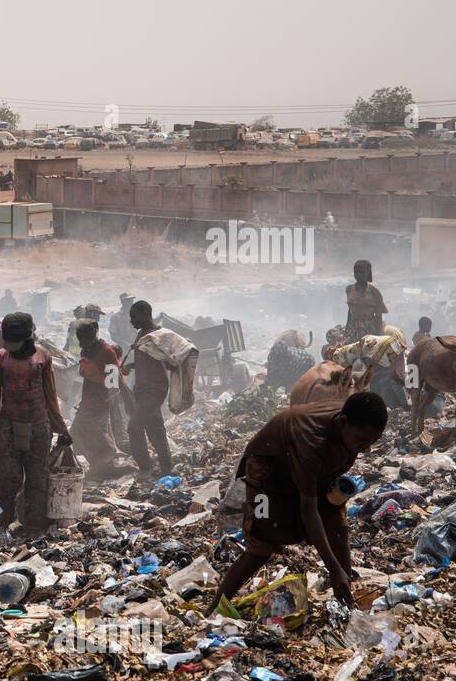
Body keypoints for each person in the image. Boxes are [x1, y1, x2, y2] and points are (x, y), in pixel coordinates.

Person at [208, 392, 388, 613]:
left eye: (372, 442)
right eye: (361, 440)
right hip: (267, 466)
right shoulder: (311, 440)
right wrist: (332, 568)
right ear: (343, 423)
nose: (365, 448)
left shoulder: (354, 417)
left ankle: (346, 602)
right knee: (262, 541)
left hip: (311, 467)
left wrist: (340, 571)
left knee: (337, 524)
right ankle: (213, 609)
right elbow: (308, 509)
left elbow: (324, 512)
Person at [0, 312, 70, 538]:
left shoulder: (43, 358)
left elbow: (50, 396)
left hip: (39, 427)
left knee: (37, 479)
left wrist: (62, 429)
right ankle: (7, 516)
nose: (12, 346)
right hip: (8, 426)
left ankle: (34, 526)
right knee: (6, 477)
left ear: (28, 337)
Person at [123, 300, 175, 476]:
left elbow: (169, 360)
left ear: (145, 313)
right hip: (143, 388)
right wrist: (132, 365)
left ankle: (145, 468)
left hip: (154, 388)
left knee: (134, 427)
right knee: (155, 427)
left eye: (134, 316)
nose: (132, 321)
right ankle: (167, 467)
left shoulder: (159, 335)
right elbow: (148, 359)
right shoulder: (143, 334)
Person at [70, 321, 128, 480]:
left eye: (84, 338)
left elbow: (113, 383)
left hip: (101, 402)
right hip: (87, 400)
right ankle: (100, 464)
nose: (81, 342)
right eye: (79, 338)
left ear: (93, 336)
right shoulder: (85, 350)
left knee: (96, 434)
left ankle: (107, 462)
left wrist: (111, 405)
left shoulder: (107, 352)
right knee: (76, 434)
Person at [345, 259, 388, 340]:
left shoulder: (374, 291)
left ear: (368, 273)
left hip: (369, 329)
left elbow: (378, 316)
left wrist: (378, 337)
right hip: (353, 329)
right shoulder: (349, 290)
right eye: (356, 272)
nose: (358, 275)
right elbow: (350, 313)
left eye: (361, 272)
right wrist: (346, 332)